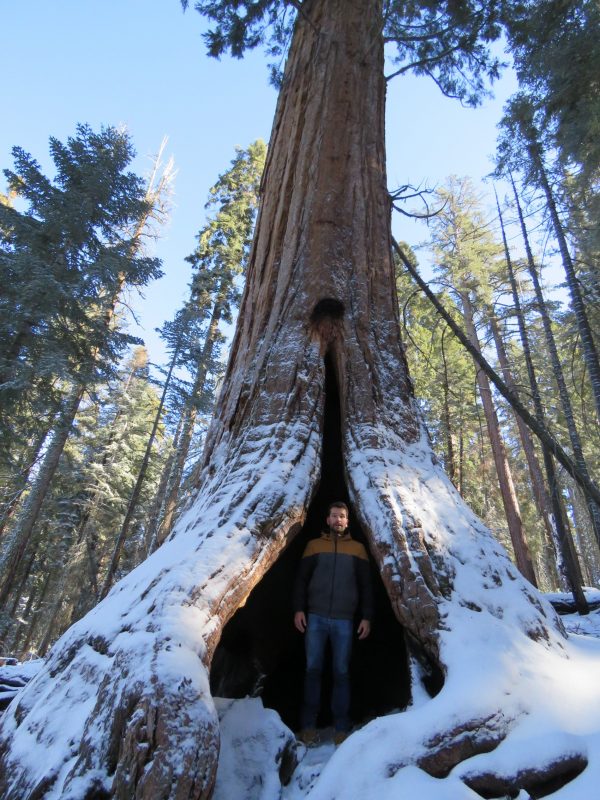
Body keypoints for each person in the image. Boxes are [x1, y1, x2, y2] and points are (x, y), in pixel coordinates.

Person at [293, 501, 373, 745]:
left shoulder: (358, 549)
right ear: (327, 519)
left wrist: (367, 616)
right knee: (313, 670)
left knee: (341, 672)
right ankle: (308, 726)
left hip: (344, 621)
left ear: (348, 521)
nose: (338, 519)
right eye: (334, 515)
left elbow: (366, 585)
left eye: (342, 516)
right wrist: (298, 609)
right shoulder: (314, 546)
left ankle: (341, 727)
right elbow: (301, 580)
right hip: (315, 617)